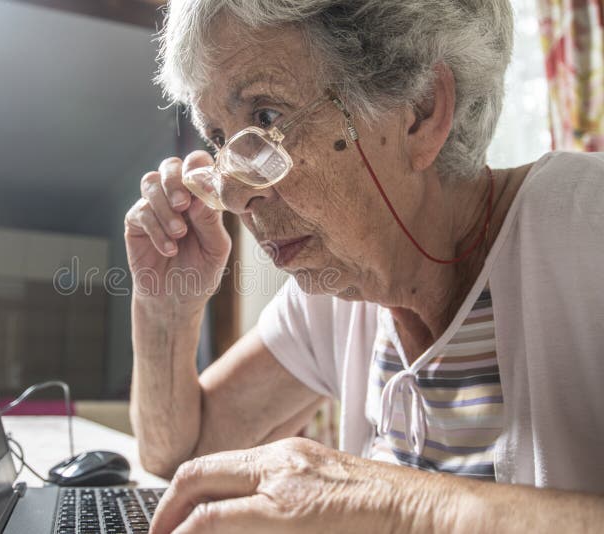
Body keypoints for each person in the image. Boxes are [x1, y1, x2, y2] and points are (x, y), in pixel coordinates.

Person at [123, 1, 604, 532]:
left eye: (266, 118)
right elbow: (181, 455)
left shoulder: (588, 222)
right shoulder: (336, 292)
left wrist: (395, 503)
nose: (233, 195)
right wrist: (166, 308)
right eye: (219, 141)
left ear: (420, 110)